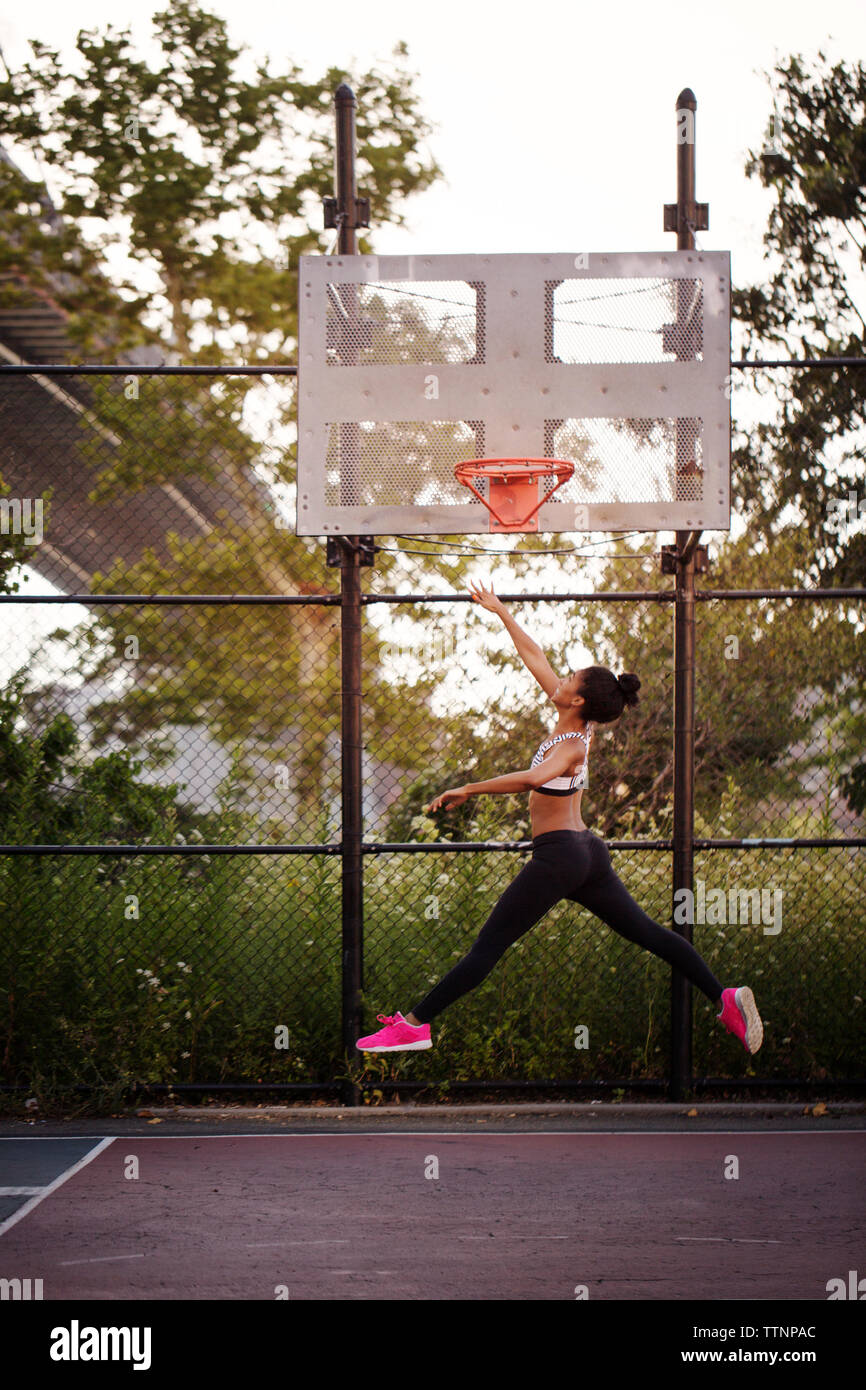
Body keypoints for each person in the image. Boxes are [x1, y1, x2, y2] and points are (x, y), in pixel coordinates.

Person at [356, 582, 763, 1057]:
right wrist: (502, 611)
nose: (561, 679)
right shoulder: (576, 721)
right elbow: (535, 656)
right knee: (649, 934)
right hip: (586, 853)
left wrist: (468, 787)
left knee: (487, 948)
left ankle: (414, 1024)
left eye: (569, 678)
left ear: (577, 700)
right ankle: (725, 998)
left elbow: (533, 779)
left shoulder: (570, 745)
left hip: (560, 858)